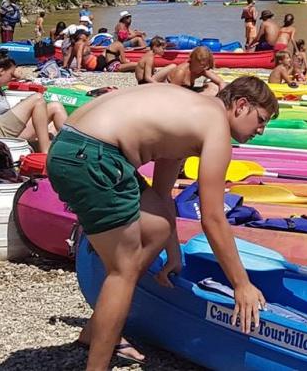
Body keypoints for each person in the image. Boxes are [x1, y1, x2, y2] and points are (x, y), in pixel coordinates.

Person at [46, 75, 277, 369]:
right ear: (241, 105)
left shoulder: (192, 114)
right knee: (124, 269)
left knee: (156, 227)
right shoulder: (216, 125)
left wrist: (173, 250)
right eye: (261, 119)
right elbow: (213, 217)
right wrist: (241, 285)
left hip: (70, 146)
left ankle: (97, 330)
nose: (262, 129)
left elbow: (163, 194)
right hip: (94, 156)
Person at [153, 45, 224, 95]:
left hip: (187, 91)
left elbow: (221, 82)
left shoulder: (202, 70)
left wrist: (222, 97)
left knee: (213, 86)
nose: (205, 68)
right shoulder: (181, 72)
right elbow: (172, 93)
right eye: (202, 65)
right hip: (168, 88)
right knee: (172, 66)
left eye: (206, 66)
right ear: (193, 61)